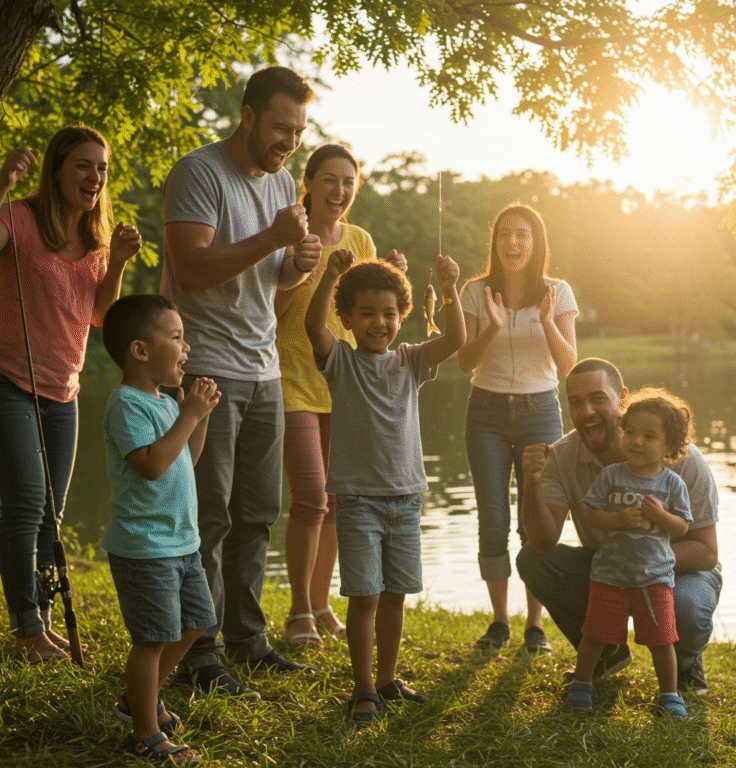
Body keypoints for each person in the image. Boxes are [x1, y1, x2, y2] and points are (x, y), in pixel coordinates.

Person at [161, 65, 321, 696]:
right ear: (248, 114)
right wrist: (274, 239)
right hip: (208, 371)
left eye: (299, 131)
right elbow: (192, 269)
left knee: (258, 513)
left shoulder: (280, 181)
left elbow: (269, 278)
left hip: (265, 369)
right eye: (280, 126)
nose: (289, 141)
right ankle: (198, 653)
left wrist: (297, 266)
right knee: (207, 518)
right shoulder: (199, 172)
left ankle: (247, 642)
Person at [305, 253, 466, 722]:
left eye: (390, 314)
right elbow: (313, 327)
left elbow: (456, 337)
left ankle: (387, 679)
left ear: (404, 316)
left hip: (406, 498)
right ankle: (363, 689)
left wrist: (451, 287)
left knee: (395, 593)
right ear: (348, 318)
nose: (380, 322)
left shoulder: (412, 361)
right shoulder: (339, 361)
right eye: (368, 313)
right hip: (357, 501)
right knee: (365, 595)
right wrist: (331, 275)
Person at [0, 126, 141, 663]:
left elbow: (102, 314)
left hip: (65, 388)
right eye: (84, 165)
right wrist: (2, 181)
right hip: (9, 380)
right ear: (58, 169)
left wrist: (121, 259)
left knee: (52, 512)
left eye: (101, 168)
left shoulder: (95, 238)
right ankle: (27, 627)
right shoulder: (20, 218)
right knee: (26, 502)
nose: (95, 177)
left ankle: (44, 616)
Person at [517, 358, 722, 695]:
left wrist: (644, 557)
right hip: (608, 571)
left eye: (598, 399)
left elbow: (706, 553)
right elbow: (542, 541)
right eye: (576, 402)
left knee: (688, 606)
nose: (586, 412)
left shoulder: (684, 459)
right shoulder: (562, 455)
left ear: (622, 399)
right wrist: (531, 484)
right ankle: (606, 653)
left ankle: (686, 664)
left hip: (678, 569)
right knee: (534, 561)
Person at [274, 144, 407, 646]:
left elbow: (369, 309)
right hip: (291, 379)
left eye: (348, 181)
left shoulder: (360, 238)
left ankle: (321, 601)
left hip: (343, 384)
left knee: (334, 500)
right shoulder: (290, 232)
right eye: (329, 180)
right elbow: (269, 305)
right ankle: (298, 611)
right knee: (310, 495)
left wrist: (392, 273)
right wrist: (306, 270)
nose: (339, 191)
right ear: (307, 183)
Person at [101, 295, 219, 763]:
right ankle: (145, 733)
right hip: (145, 546)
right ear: (140, 350)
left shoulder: (169, 403)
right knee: (151, 639)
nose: (185, 347)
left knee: (194, 624)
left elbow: (184, 459)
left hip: (182, 541)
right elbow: (151, 466)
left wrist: (198, 417)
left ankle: (138, 701)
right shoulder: (126, 405)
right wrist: (188, 415)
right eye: (176, 337)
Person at [457, 203, 578, 652]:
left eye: (522, 235)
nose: (513, 243)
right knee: (492, 520)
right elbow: (464, 361)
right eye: (505, 234)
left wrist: (546, 321)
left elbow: (570, 367)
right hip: (485, 412)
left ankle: (534, 624)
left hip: (540, 411)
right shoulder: (475, 292)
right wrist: (492, 326)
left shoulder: (557, 293)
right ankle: (499, 621)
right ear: (496, 241)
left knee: (536, 523)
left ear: (536, 242)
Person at [566, 388, 694, 719]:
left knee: (662, 640)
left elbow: (681, 527)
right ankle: (582, 684)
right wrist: (618, 519)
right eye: (631, 432)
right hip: (609, 575)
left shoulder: (672, 485)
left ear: (669, 447)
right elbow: (592, 515)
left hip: (655, 578)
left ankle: (669, 693)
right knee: (594, 634)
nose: (636, 441)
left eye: (649, 436)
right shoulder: (611, 476)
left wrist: (660, 517)